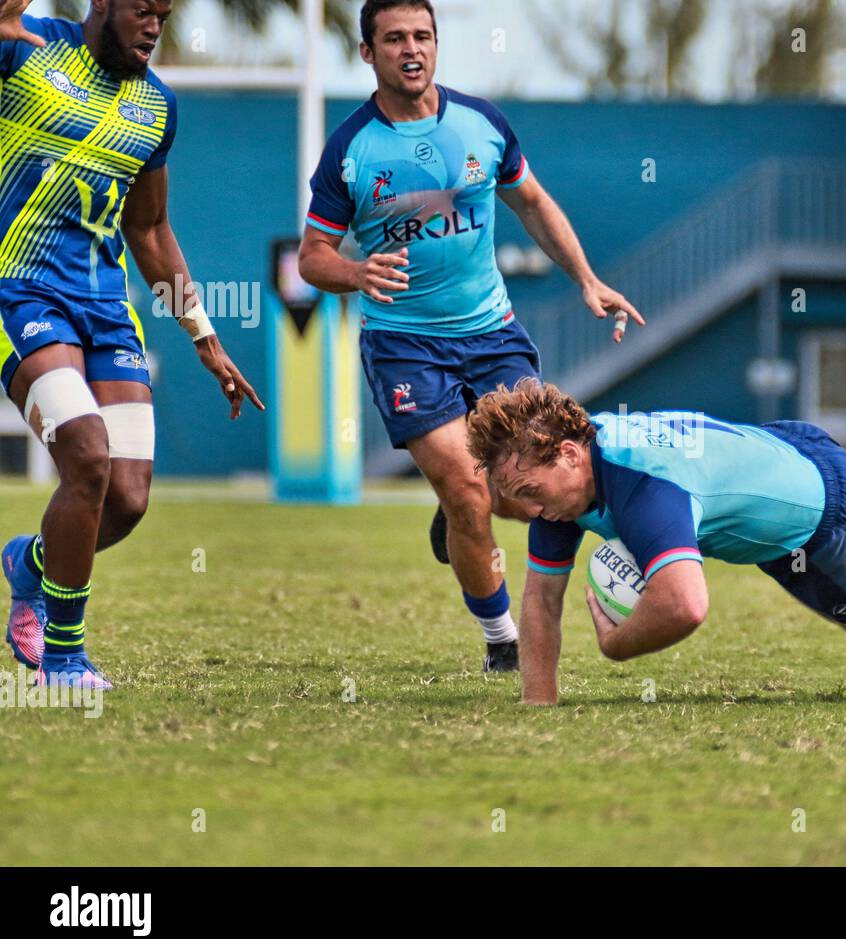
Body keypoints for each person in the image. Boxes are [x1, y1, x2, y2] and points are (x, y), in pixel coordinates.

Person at [297, 0, 643, 673]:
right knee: (467, 488)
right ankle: (501, 641)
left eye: (422, 35)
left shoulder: (481, 125)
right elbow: (311, 256)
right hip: (403, 343)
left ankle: (460, 518)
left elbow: (534, 201)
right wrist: (354, 270)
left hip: (492, 335)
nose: (412, 49)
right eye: (394, 39)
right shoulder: (350, 149)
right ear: (368, 53)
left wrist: (586, 279)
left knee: (528, 486)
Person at [462, 379, 846, 706]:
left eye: (529, 492)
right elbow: (540, 598)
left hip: (823, 513)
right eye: (516, 496)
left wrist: (617, 647)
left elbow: (684, 605)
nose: (528, 510)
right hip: (770, 490)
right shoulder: (563, 475)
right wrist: (538, 704)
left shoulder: (643, 485)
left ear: (567, 455)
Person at [0, 0, 262, 690]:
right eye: (142, 11)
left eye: (165, 16)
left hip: (107, 311)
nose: (154, 26)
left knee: (126, 498)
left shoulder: (157, 107)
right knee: (85, 456)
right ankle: (63, 658)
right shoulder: (26, 49)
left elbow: (149, 233)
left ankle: (28, 564)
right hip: (20, 294)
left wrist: (205, 337)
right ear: (103, 5)